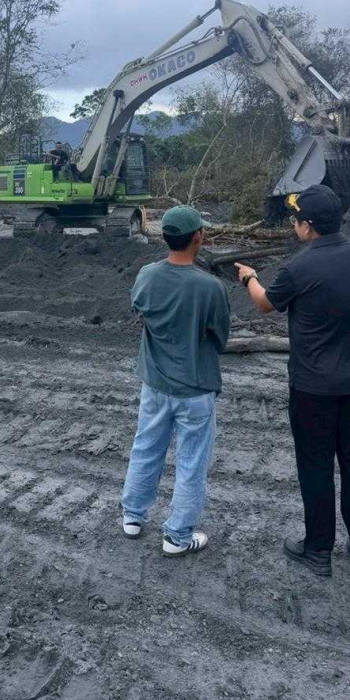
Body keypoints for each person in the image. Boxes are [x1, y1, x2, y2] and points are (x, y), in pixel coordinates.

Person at [235, 184, 350, 578]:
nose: (294, 226)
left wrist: (248, 277)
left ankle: (318, 550)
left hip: (312, 389)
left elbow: (265, 303)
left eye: (296, 220)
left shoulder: (298, 268)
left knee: (316, 466)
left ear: (307, 226)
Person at [121, 205, 230, 557]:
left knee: (146, 447)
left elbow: (139, 310)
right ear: (198, 237)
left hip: (154, 383)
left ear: (165, 235)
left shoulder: (146, 276)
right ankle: (178, 536)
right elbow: (221, 338)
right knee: (191, 461)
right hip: (196, 388)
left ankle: (133, 516)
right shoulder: (210, 287)